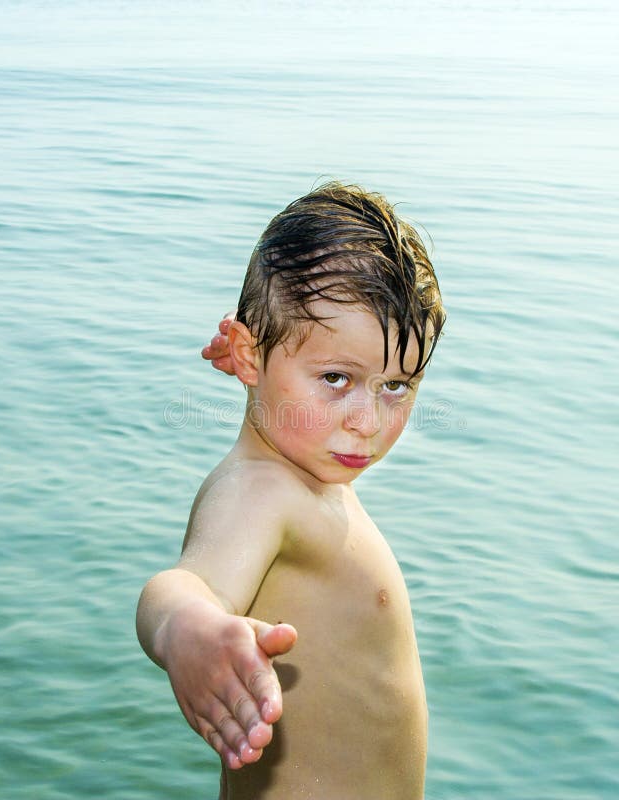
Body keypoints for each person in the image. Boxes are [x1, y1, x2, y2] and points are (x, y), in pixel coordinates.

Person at [136, 181, 446, 799]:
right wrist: (187, 627)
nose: (368, 419)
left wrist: (272, 365)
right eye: (337, 377)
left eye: (396, 385)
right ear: (252, 358)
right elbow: (182, 587)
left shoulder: (310, 465)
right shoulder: (260, 491)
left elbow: (291, 374)